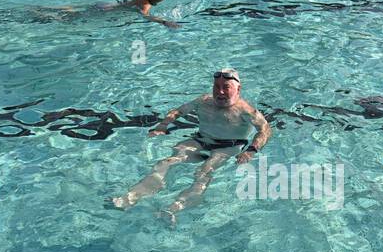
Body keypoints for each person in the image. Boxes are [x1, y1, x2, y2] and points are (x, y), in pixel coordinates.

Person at [112, 68, 272, 224]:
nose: (220, 92)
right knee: (166, 163)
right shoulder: (204, 101)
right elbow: (178, 112)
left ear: (238, 89)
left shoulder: (247, 111)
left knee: (203, 173)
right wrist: (163, 125)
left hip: (228, 146)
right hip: (200, 140)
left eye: (226, 87)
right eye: (217, 87)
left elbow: (265, 129)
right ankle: (130, 198)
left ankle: (172, 209)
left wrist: (250, 151)